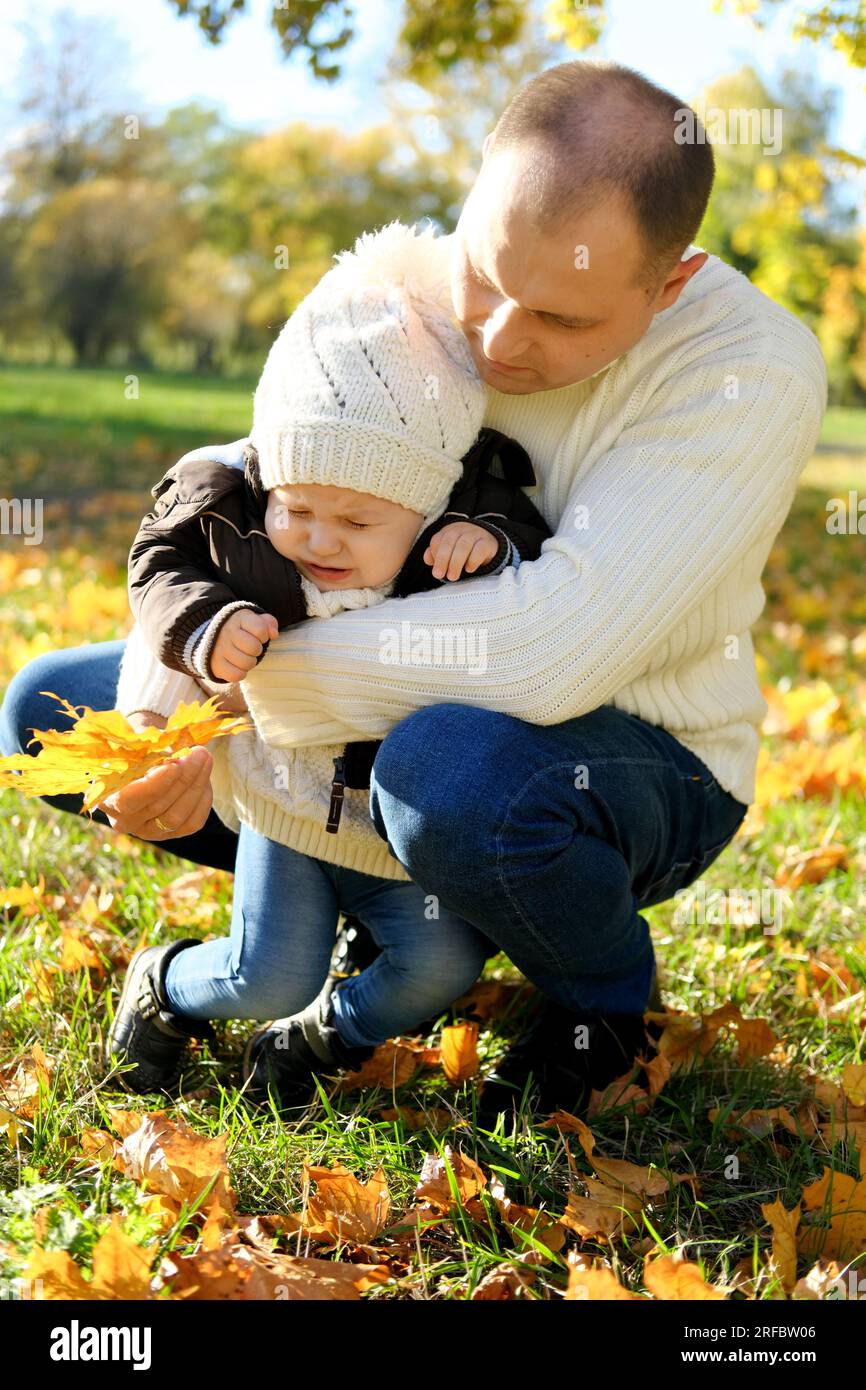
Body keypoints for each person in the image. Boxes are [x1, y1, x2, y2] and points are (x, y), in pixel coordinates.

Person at [0, 59, 828, 1118]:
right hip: (371, 711)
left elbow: (552, 651)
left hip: (625, 753)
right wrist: (160, 714)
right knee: (52, 715)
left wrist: (240, 689)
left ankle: (602, 1005)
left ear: (667, 286)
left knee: (452, 775)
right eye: (485, 276)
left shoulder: (746, 364)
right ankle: (383, 894)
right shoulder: (401, 283)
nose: (499, 340)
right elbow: (255, 470)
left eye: (560, 319)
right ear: (476, 190)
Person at [105, 220, 552, 1101]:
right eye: (298, 508)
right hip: (287, 804)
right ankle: (166, 986)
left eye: (357, 522)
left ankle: (319, 1036)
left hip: (395, 837)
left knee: (439, 966)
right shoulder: (247, 544)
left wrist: (490, 541)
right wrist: (205, 634)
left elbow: (532, 574)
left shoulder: (452, 538)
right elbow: (164, 581)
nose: (320, 541)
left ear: (429, 507)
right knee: (267, 971)